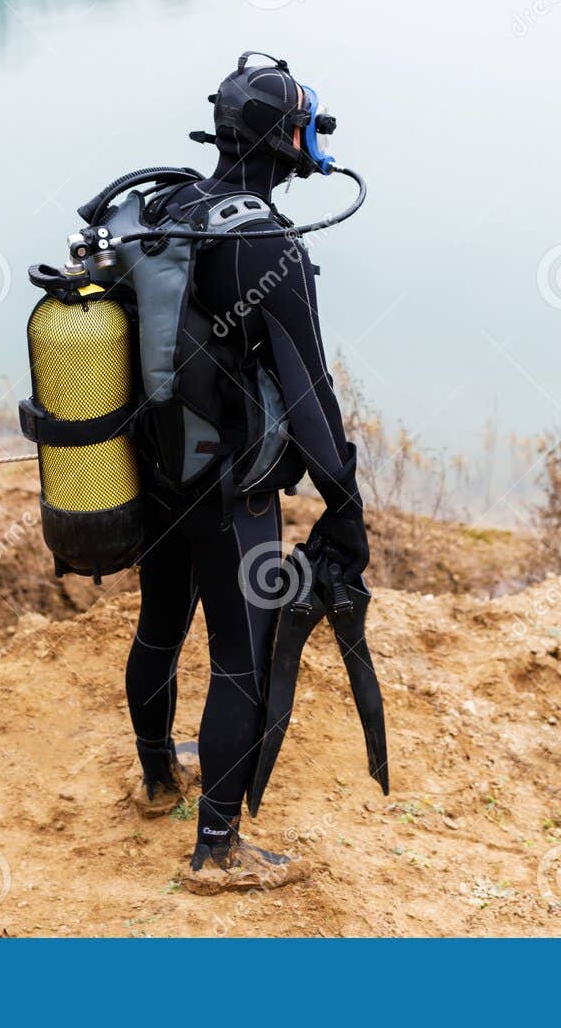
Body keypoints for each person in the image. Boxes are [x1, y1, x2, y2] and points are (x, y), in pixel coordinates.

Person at [122, 56, 369, 894]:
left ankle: (158, 777)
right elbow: (308, 393)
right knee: (242, 659)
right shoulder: (265, 240)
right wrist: (344, 495)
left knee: (161, 620)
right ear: (287, 141)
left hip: (157, 466)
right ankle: (217, 850)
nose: (315, 140)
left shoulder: (167, 206)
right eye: (307, 126)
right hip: (229, 490)